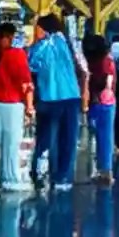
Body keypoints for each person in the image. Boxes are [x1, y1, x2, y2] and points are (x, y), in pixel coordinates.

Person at [27, 14, 83, 190]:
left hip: (50, 98)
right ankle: (62, 177)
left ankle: (43, 173)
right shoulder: (67, 42)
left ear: (43, 28)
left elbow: (31, 63)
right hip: (71, 96)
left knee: (47, 137)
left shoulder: (46, 44)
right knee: (68, 138)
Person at [0, 23, 34, 193]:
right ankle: (10, 180)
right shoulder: (17, 55)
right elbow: (26, 82)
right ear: (10, 37)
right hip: (12, 104)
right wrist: (29, 106)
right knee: (11, 144)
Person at [82, 34, 116, 186]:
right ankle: (105, 171)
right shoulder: (107, 61)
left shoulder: (90, 63)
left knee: (93, 136)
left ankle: (96, 169)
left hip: (94, 102)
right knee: (106, 137)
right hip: (107, 102)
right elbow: (109, 81)